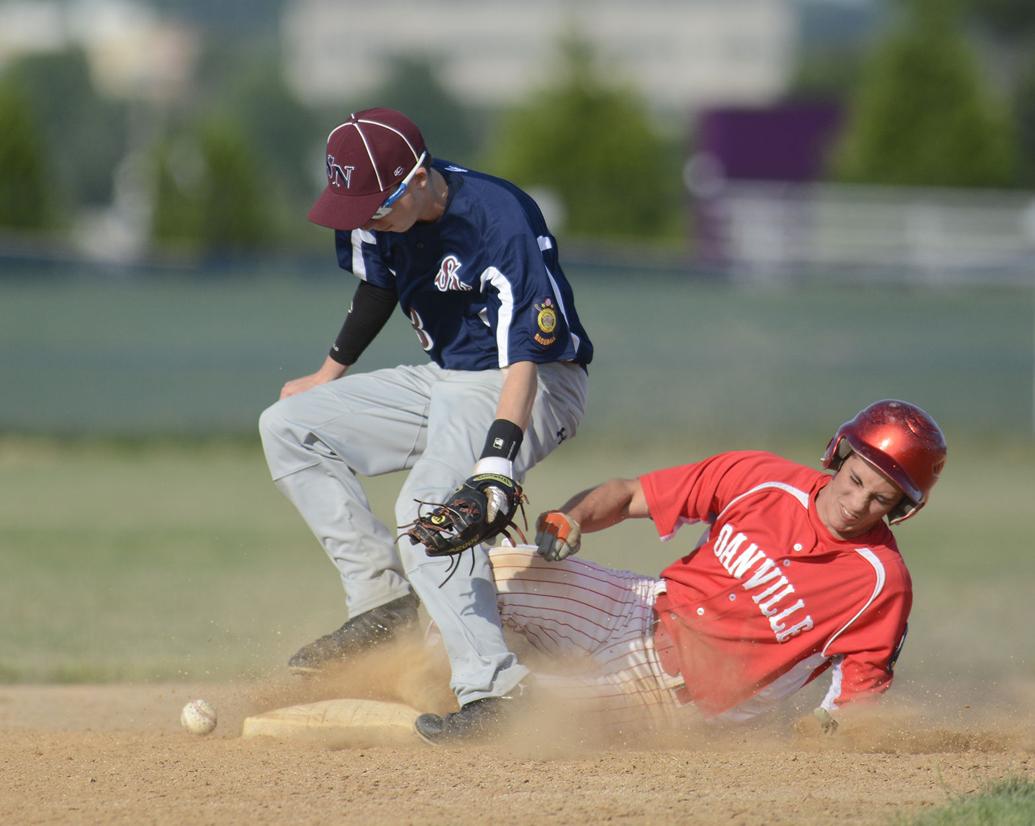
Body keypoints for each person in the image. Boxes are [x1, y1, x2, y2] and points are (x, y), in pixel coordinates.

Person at [258, 108, 593, 739]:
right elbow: (378, 287)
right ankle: (383, 603)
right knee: (287, 425)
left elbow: (526, 350)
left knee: (430, 507)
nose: (364, 218)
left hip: (538, 381)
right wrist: (327, 373)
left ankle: (496, 688)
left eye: (374, 205)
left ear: (416, 178)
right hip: (450, 379)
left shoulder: (499, 218)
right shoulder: (379, 218)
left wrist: (496, 461)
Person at [413, 400, 947, 743]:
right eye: (854, 479)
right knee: (478, 573)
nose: (856, 503)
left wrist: (822, 733)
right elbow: (625, 496)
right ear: (839, 453)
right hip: (636, 604)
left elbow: (859, 690)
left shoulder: (880, 581)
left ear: (902, 509)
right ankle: (432, 669)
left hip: (673, 696)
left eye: (880, 499)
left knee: (527, 721)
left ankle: (497, 695)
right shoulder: (762, 478)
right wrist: (571, 518)